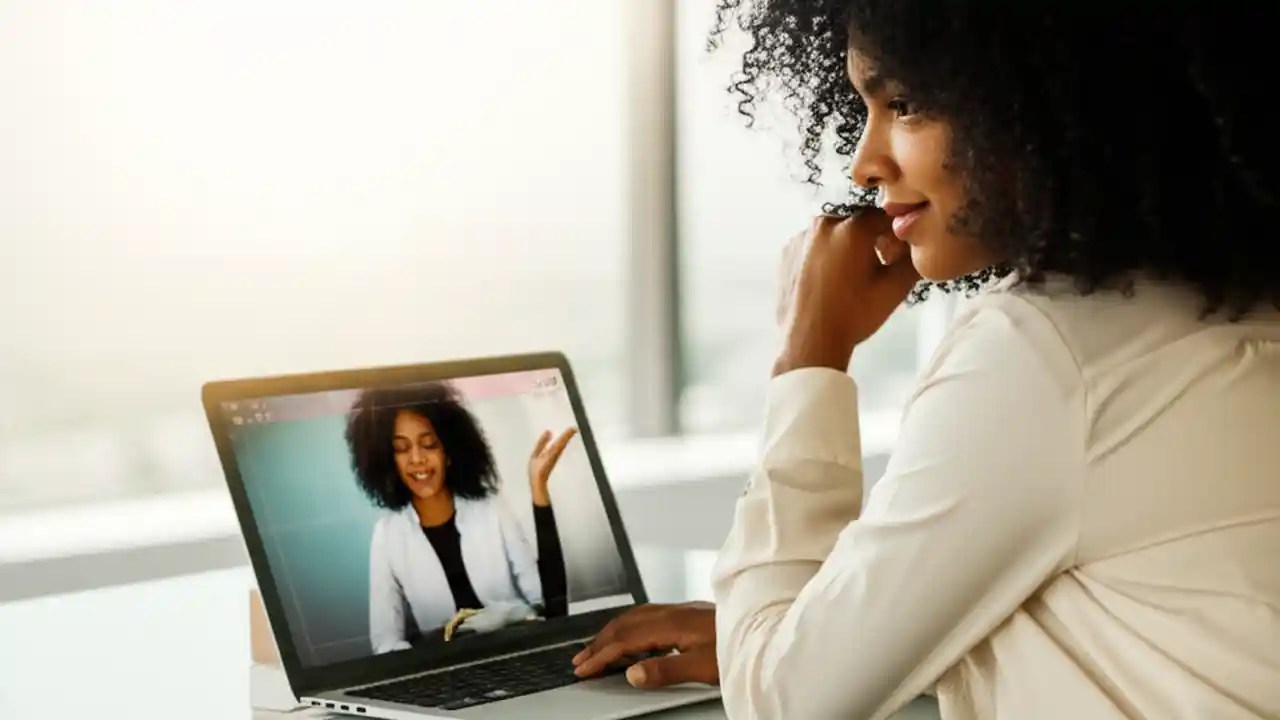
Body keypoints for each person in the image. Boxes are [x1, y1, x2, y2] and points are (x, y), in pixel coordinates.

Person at [575, 1, 1280, 717]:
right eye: (866, 108)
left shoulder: (1041, 350)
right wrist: (811, 634)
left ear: (1030, 102)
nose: (865, 162)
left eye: (905, 105)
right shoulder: (1233, 310)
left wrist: (809, 352)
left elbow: (788, 706)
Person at [345, 382, 577, 653]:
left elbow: (549, 605)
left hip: (519, 647)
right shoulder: (387, 535)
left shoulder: (492, 508)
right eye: (401, 448)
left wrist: (538, 488)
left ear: (449, 452)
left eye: (429, 444)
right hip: (444, 670)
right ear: (387, 459)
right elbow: (385, 642)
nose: (417, 458)